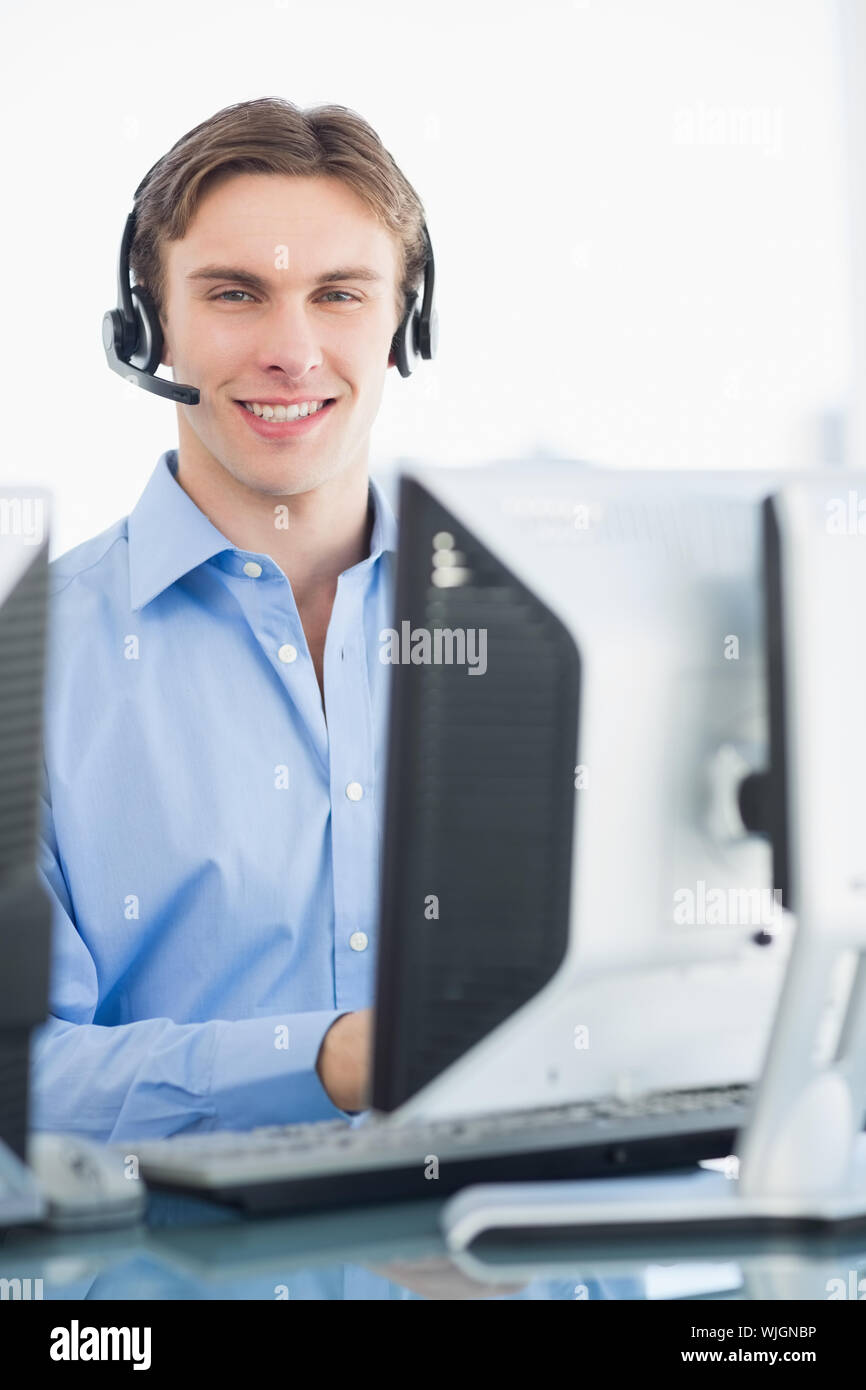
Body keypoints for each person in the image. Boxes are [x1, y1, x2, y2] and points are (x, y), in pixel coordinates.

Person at [31, 96, 432, 1142]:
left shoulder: (546, 634)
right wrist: (329, 1060)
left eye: (338, 293)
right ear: (146, 322)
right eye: (235, 294)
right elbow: (20, 1077)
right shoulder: (28, 666)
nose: (291, 352)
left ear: (405, 323)